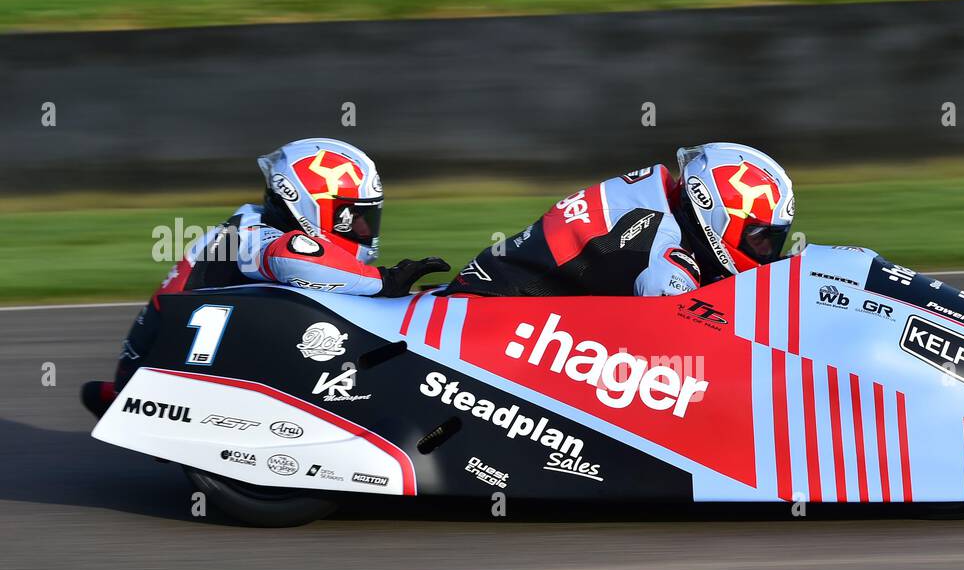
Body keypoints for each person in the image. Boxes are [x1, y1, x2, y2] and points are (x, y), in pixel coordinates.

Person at [81, 137, 444, 417]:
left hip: (189, 364)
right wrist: (384, 281)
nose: (364, 227)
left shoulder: (253, 226)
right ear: (305, 206)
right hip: (160, 375)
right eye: (352, 216)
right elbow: (293, 260)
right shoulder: (252, 235)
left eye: (369, 215)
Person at [443, 142, 794, 297]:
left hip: (492, 290)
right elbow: (685, 348)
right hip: (491, 319)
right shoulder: (665, 260)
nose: (765, 250)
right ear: (711, 209)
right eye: (758, 236)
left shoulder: (656, 193)